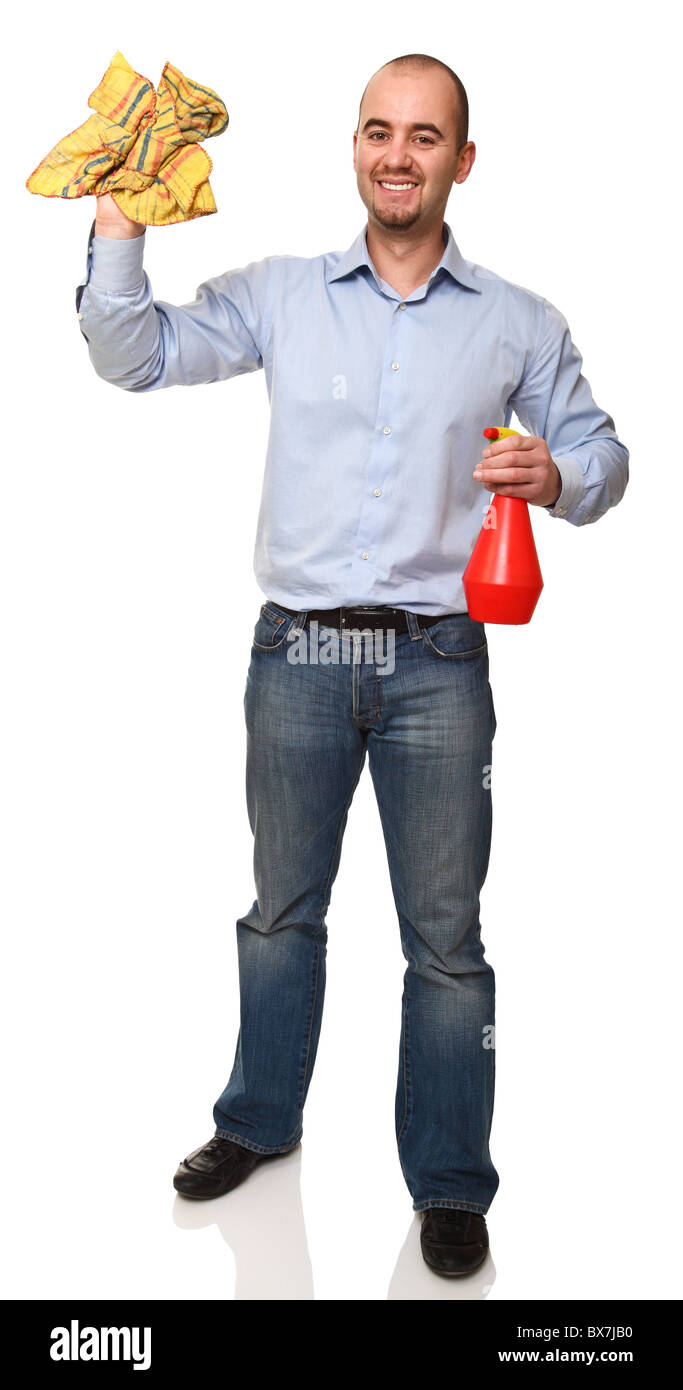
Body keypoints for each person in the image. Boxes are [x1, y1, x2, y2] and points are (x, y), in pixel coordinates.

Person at [75, 52, 629, 1278]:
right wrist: (119, 222)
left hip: (440, 663)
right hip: (298, 655)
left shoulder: (519, 322)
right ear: (354, 148)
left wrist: (557, 475)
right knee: (281, 912)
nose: (396, 153)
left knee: (445, 940)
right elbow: (135, 356)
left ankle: (447, 1184)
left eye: (423, 136)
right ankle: (257, 1124)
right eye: (377, 130)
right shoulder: (279, 294)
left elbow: (602, 457)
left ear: (460, 161)